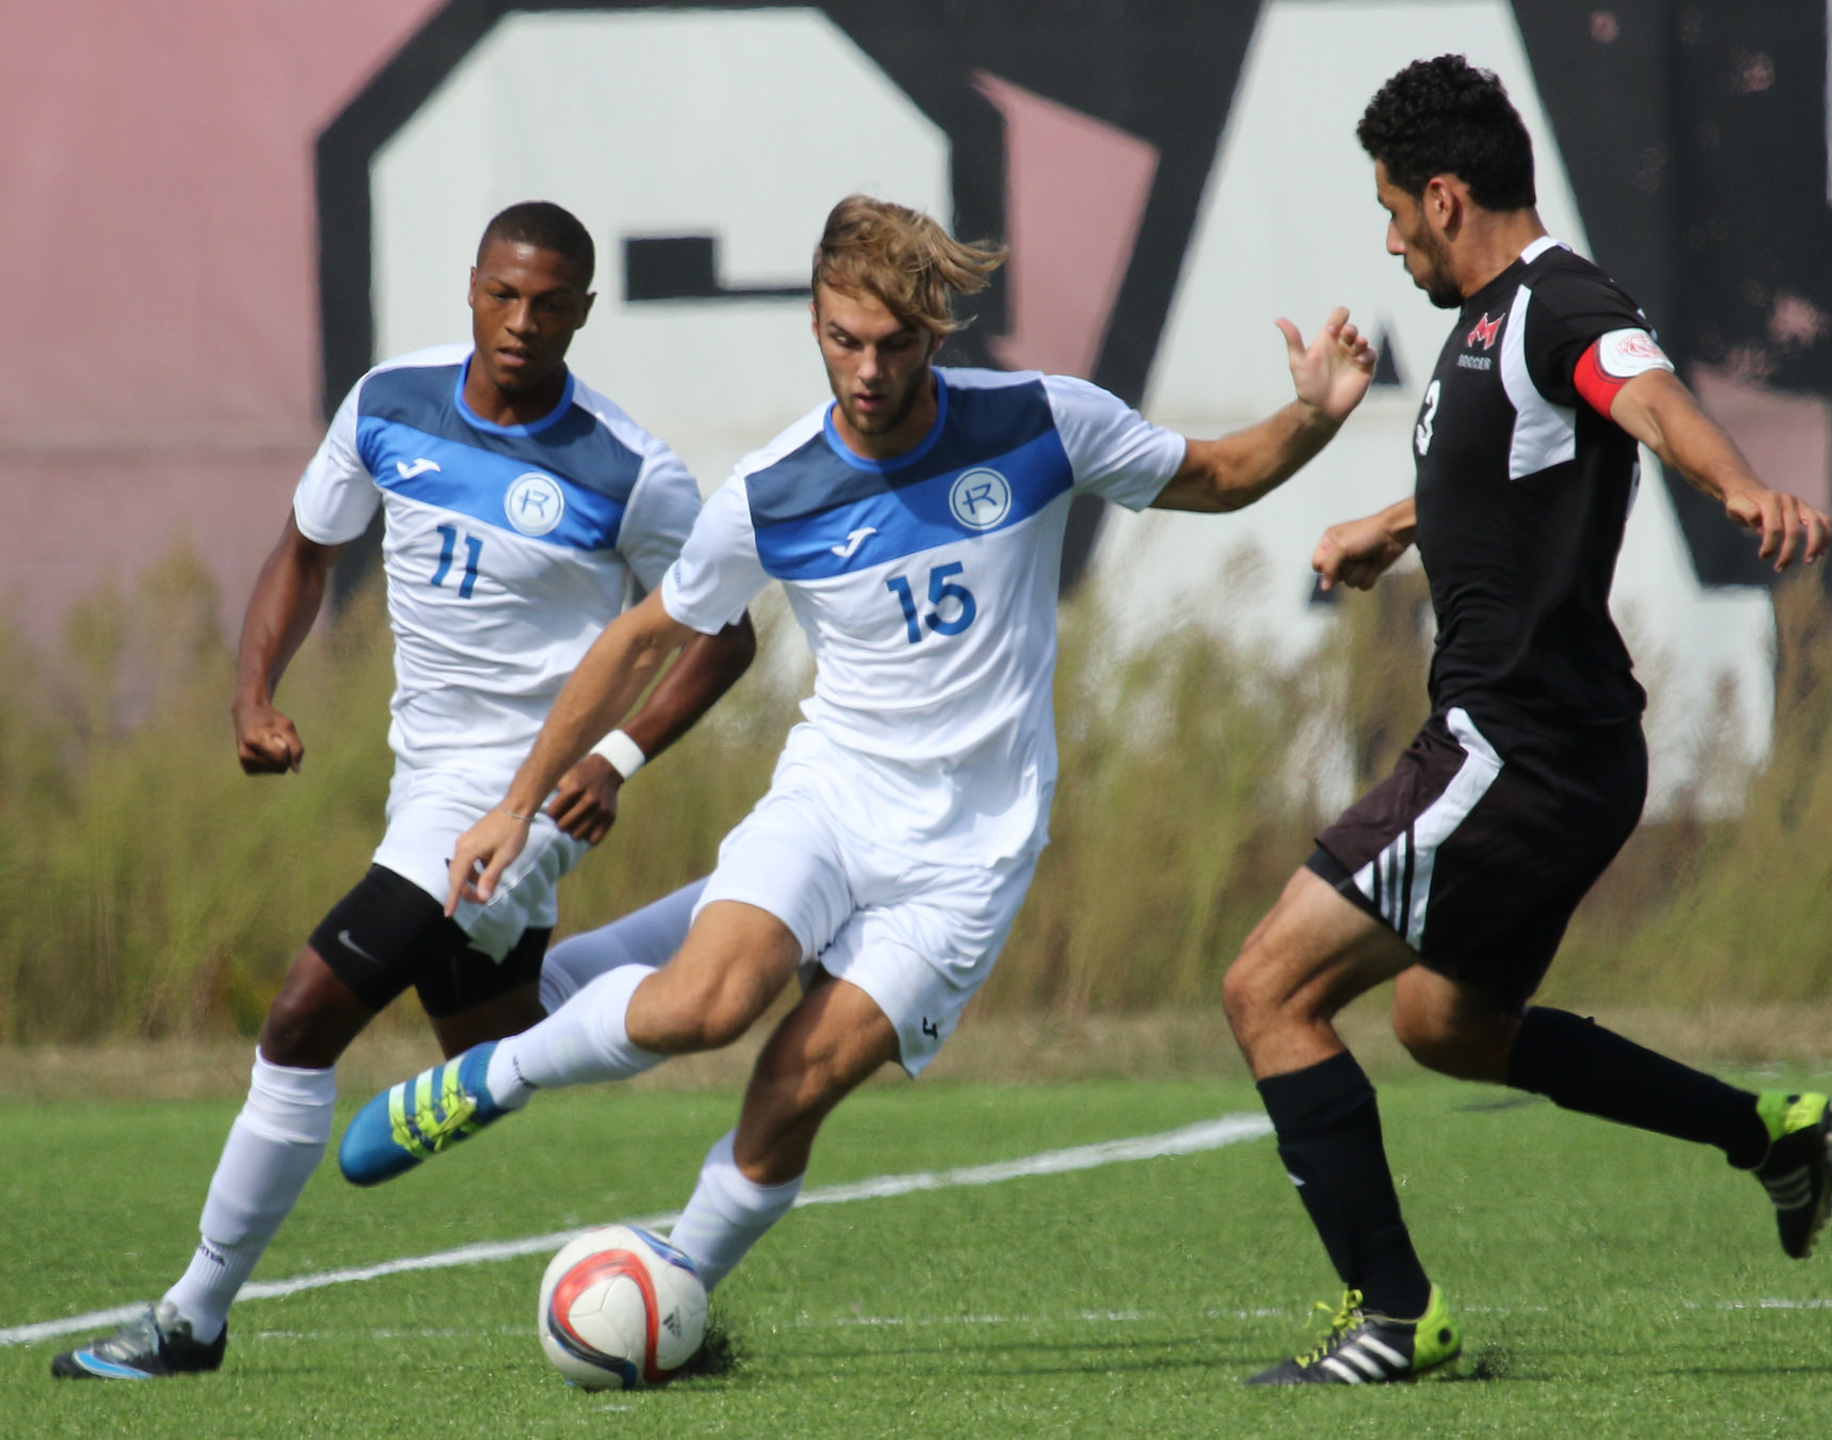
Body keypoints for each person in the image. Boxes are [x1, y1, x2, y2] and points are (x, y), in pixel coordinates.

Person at [330, 195, 1377, 1308]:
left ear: (935, 333)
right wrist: (518, 803)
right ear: (817, 328)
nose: (867, 370)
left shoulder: (1038, 423)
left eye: (893, 344)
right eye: (843, 340)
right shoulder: (774, 490)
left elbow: (1218, 475)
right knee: (709, 1003)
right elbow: (641, 639)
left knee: (795, 1084)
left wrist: (1311, 417)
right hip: (832, 800)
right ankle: (494, 1074)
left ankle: (673, 1291)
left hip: (971, 853)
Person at [52, 202, 755, 1381]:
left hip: (514, 807)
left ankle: (190, 1320)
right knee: (501, 1036)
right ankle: (731, 909)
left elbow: (724, 636)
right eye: (501, 295)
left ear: (584, 311)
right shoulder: (389, 405)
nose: (521, 322)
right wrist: (252, 693)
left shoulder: (631, 471)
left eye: (548, 304)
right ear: (471, 287)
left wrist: (611, 756)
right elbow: (305, 548)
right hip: (422, 786)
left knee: (301, 1015)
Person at [1222, 56, 1832, 1387]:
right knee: (1448, 1027)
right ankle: (1767, 1134)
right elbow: (1517, 466)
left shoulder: (1561, 303)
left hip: (1514, 746)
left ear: (1446, 197)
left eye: (1393, 213)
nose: (1388, 242)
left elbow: (1650, 396)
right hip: (1564, 748)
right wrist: (1389, 530)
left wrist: (1740, 487)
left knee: (1266, 990)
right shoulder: (1496, 323)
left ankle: (1393, 1316)